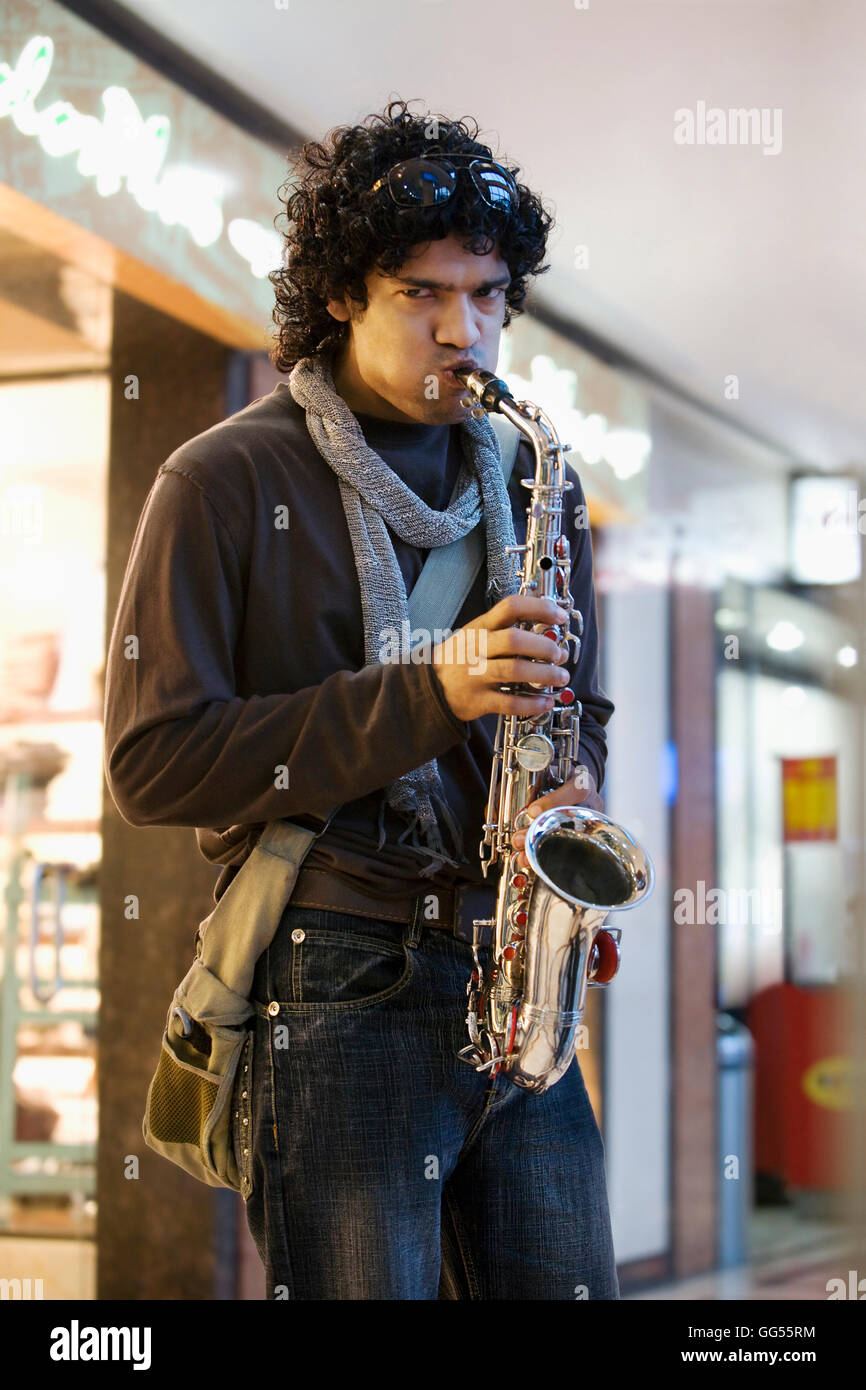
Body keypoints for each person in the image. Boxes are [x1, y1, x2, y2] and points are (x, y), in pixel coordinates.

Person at [103, 98, 619, 1300]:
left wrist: (570, 782)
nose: (465, 331)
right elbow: (153, 762)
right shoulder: (222, 479)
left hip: (509, 969)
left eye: (487, 296)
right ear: (340, 292)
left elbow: (572, 701)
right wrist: (428, 690)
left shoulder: (539, 478)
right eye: (421, 294)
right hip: (333, 978)